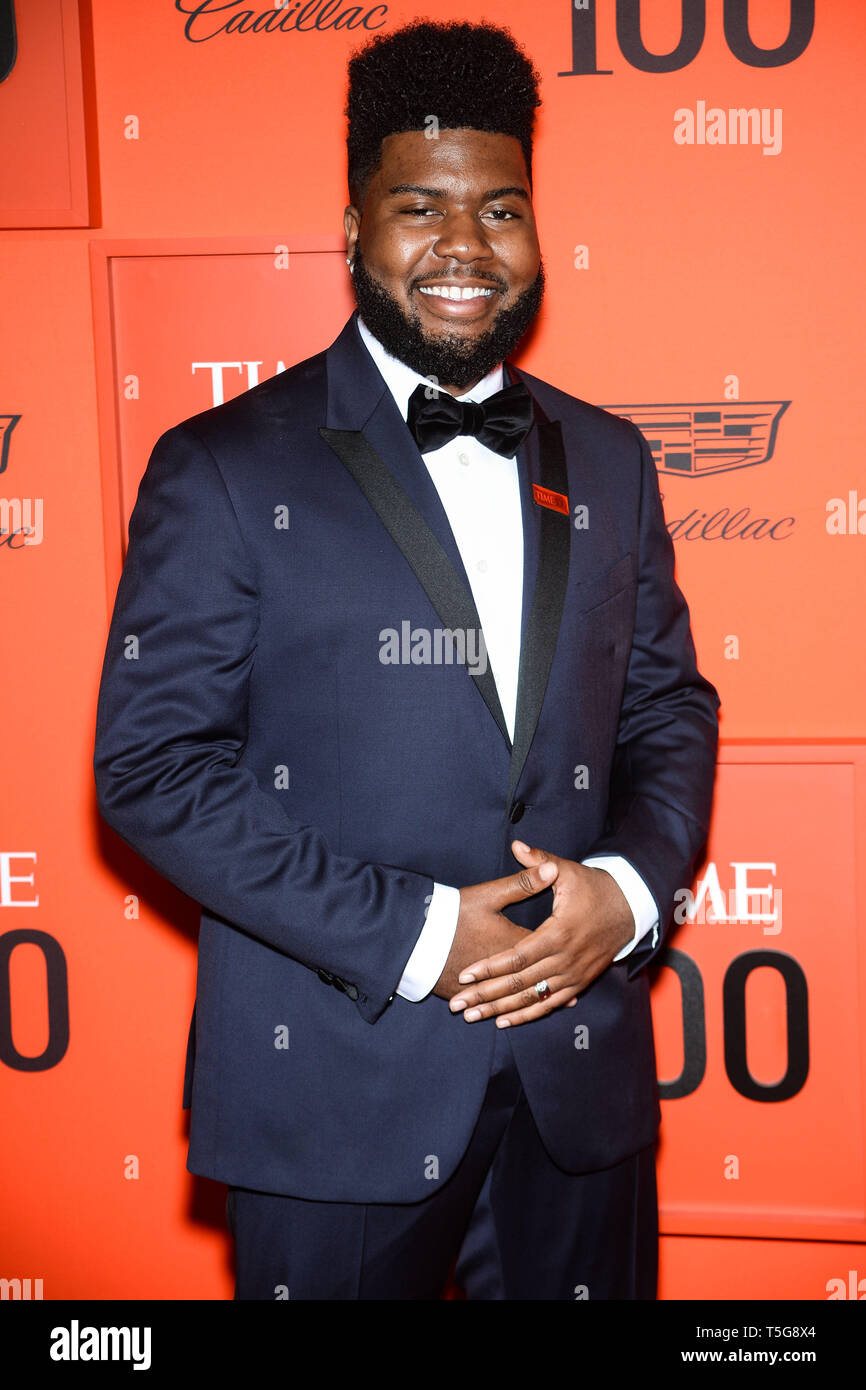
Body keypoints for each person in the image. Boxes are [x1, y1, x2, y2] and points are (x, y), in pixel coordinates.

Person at [94, 19, 719, 1300]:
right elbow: (152, 770)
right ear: (352, 228)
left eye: (499, 209)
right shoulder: (222, 469)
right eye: (417, 208)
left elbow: (667, 703)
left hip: (577, 1090)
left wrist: (630, 888)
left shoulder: (607, 460)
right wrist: (423, 933)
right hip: (333, 1092)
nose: (463, 249)